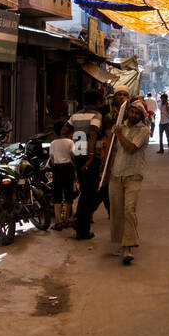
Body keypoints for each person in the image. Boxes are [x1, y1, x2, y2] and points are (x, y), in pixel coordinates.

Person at [108, 94, 150, 265]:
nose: (133, 115)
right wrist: (106, 171)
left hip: (133, 175)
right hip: (116, 174)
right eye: (131, 111)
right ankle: (121, 243)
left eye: (136, 113)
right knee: (116, 211)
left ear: (141, 116)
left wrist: (119, 134)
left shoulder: (143, 131)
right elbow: (113, 150)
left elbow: (131, 149)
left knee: (129, 209)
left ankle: (128, 247)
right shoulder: (120, 127)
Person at [72, 95, 103, 241]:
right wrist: (91, 156)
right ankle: (81, 227)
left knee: (85, 191)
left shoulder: (76, 115)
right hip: (89, 158)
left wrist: (77, 142)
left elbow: (65, 130)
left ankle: (79, 223)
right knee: (90, 192)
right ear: (97, 102)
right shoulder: (96, 116)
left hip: (78, 154)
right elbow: (92, 134)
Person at [49, 119, 76, 230]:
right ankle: (66, 220)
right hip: (68, 168)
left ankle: (58, 222)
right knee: (69, 194)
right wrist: (75, 167)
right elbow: (73, 155)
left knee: (57, 196)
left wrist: (55, 167)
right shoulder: (70, 142)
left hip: (57, 168)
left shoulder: (53, 143)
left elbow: (52, 159)